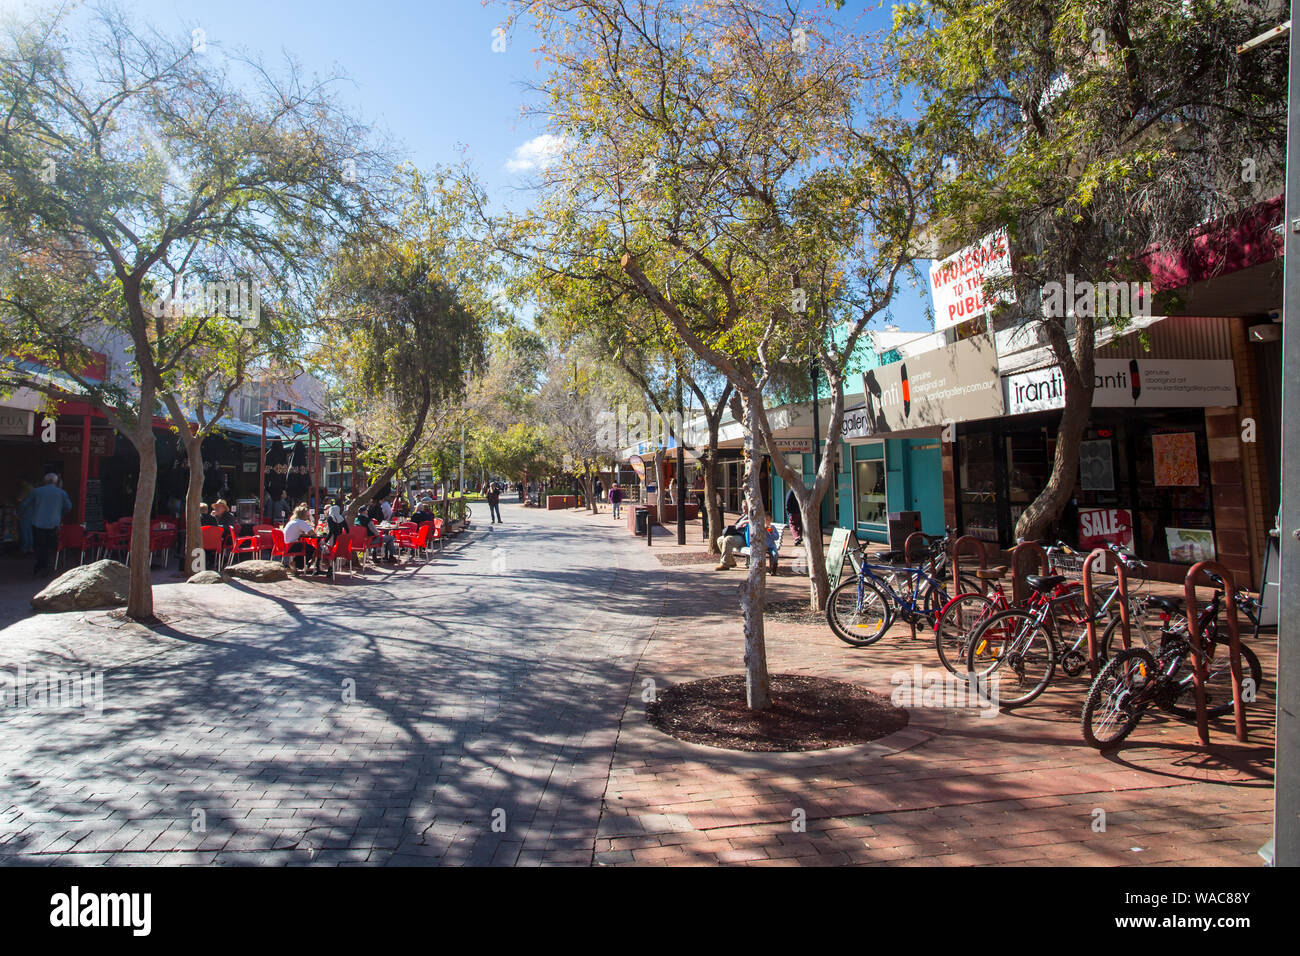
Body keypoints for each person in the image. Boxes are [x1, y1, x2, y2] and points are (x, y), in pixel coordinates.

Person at [24, 473, 72, 576]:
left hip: (38, 522)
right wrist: (60, 514)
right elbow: (68, 507)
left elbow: (25, 504)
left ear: (44, 481)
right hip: (53, 523)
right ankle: (46, 566)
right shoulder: (61, 493)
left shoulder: (36, 491)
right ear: (55, 481)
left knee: (39, 545)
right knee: (50, 546)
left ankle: (41, 564)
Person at [282, 504, 317, 572]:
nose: (308, 515)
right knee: (311, 548)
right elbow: (312, 533)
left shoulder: (292, 521)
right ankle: (297, 564)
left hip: (285, 544)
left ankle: (296, 563)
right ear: (303, 514)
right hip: (291, 545)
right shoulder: (300, 522)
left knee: (304, 546)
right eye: (307, 514)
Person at [16, 478, 35, 555]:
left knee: (24, 531)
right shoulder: (33, 489)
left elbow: (20, 500)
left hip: (25, 512)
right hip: (32, 512)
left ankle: (24, 548)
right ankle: (30, 548)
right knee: (30, 531)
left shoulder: (25, 489)